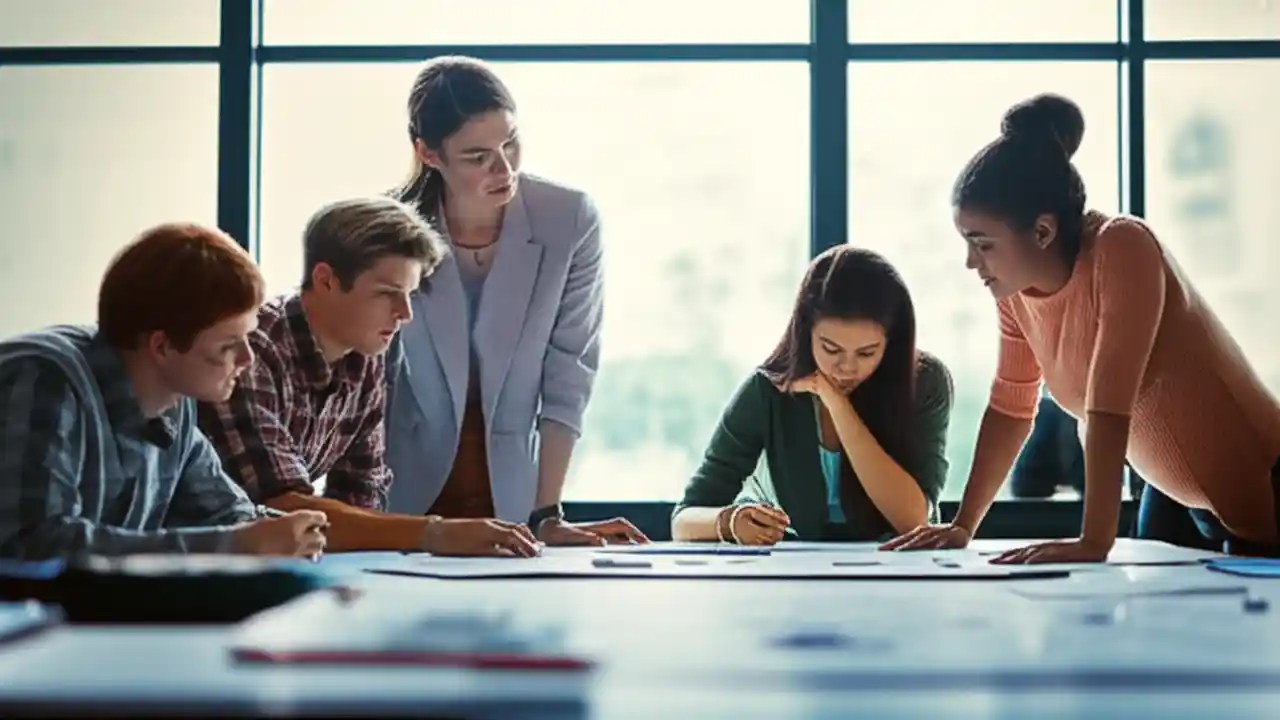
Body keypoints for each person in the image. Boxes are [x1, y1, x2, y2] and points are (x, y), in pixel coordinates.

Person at [883, 94, 1280, 562]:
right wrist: (962, 525)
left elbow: (1108, 408)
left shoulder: (1122, 247)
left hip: (1263, 487)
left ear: (1043, 232)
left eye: (982, 244)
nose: (971, 262)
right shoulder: (1015, 293)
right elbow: (1011, 409)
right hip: (1177, 496)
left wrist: (1094, 542)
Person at [384, 56, 647, 546]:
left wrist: (547, 513)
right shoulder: (388, 230)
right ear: (428, 153)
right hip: (402, 499)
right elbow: (365, 384)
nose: (504, 168)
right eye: (477, 156)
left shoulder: (569, 219)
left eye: (511, 142)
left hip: (512, 496)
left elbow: (570, 368)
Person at [199, 197, 540, 557]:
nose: (405, 313)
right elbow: (282, 510)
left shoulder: (364, 356)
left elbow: (360, 498)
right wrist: (435, 533)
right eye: (386, 294)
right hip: (203, 562)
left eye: (409, 295)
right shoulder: (251, 351)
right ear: (326, 280)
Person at [0, 223, 327, 560]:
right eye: (228, 346)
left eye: (248, 337)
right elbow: (30, 544)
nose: (248, 358)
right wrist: (233, 545)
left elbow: (227, 514)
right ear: (162, 346)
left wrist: (284, 533)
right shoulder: (42, 378)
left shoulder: (173, 400)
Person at [671, 246, 954, 544]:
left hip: (900, 564)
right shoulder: (769, 389)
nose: (847, 368)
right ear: (805, 333)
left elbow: (913, 521)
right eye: (831, 349)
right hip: (795, 564)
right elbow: (684, 520)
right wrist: (729, 523)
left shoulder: (924, 381)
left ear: (892, 343)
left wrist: (836, 402)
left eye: (866, 353)